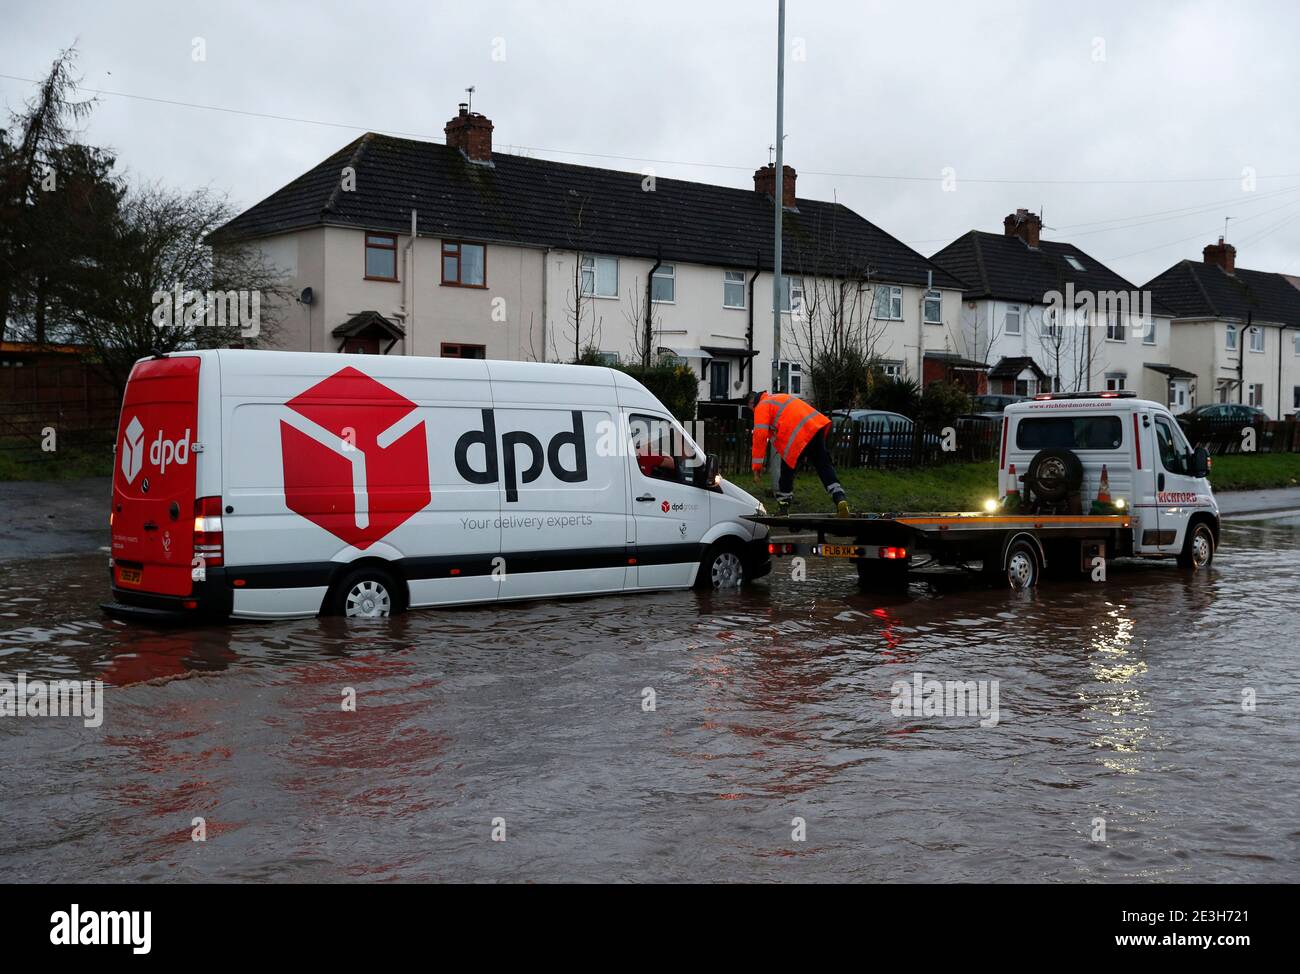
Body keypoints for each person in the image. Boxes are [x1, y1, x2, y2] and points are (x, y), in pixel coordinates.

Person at [746, 389, 850, 517]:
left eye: (750, 409)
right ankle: (840, 498)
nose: (752, 412)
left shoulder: (761, 406)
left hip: (797, 436)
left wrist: (757, 468)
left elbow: (759, 435)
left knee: (787, 471)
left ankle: (783, 508)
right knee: (823, 465)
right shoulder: (778, 398)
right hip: (814, 427)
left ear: (752, 403)